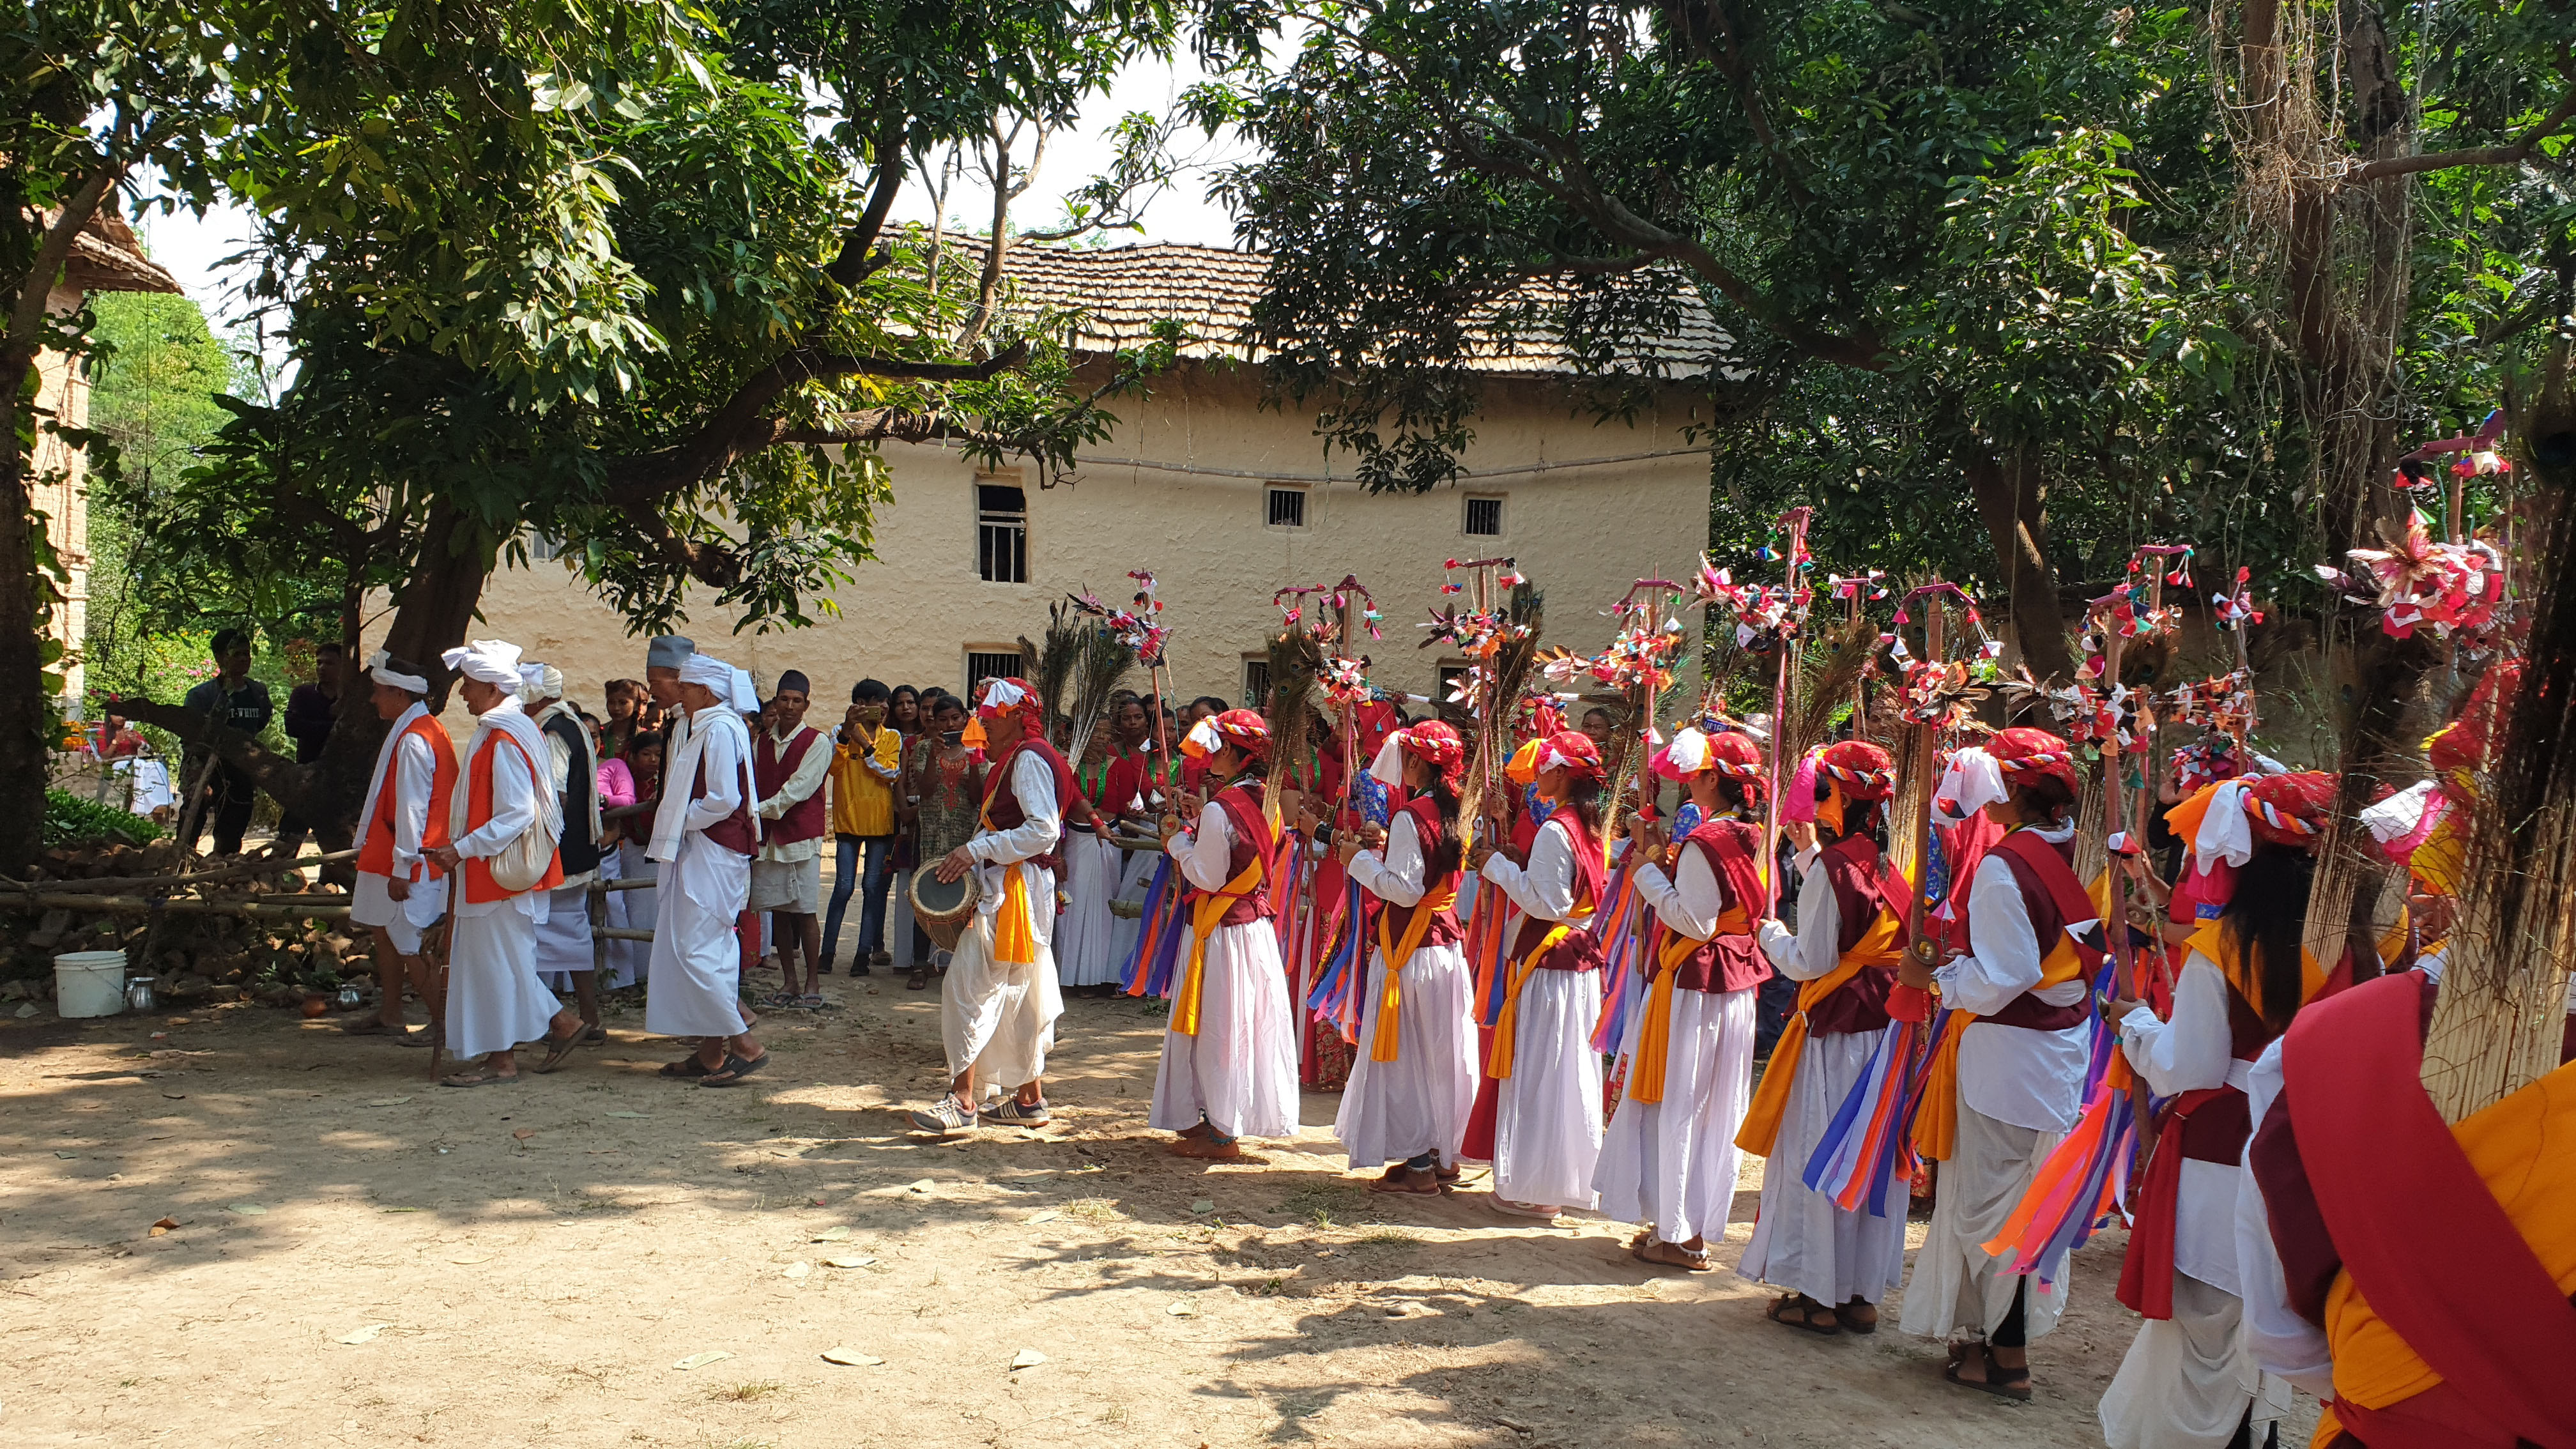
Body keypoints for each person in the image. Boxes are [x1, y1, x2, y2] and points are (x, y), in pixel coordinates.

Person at [2096, 774, 2334, 1449]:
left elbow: (2188, 1066)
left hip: (2222, 1147)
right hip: (2300, 1151)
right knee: (2264, 1328)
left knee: (2200, 1326)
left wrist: (2137, 1026)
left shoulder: (2223, 949)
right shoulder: (2350, 945)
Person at [1896, 726, 2101, 1400]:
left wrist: (1939, 981)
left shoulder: (2003, 864)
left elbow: (2004, 975)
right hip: (2063, 1047)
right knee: (2029, 1200)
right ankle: (1997, 1344)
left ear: (2016, 790)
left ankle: (1999, 1350)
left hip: (2007, 1054)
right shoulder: (2084, 847)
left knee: (1989, 1208)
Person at [1742, 739, 1910, 1333]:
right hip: (1883, 1034)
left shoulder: (1834, 871)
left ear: (1837, 797)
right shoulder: (1891, 867)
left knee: (1822, 1155)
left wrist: (1770, 936)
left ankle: (1818, 1296)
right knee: (1862, 1160)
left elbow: (1810, 959)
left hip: (1836, 1034)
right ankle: (1859, 1293)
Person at [1598, 724, 1774, 1270]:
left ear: (1712, 780)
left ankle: (1679, 1231)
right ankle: (1681, 1222)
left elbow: (1694, 921)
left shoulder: (1707, 842)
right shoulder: (1751, 836)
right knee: (1707, 1107)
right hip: (1731, 981)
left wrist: (1647, 875)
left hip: (1698, 985)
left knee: (1681, 1104)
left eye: (1696, 775)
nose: (1688, 784)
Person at [424, 640, 586, 1087]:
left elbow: (517, 813)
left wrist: (462, 848)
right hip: (493, 873)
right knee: (501, 965)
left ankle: (503, 1060)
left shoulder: (504, 738)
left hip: (496, 874)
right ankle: (552, 1029)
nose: (463, 695)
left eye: (470, 686)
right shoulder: (510, 730)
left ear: (494, 688)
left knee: (494, 967)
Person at [908, 677, 1068, 1132]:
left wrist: (974, 851)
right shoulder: (1032, 755)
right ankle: (1029, 1101)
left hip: (1012, 890)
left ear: (1017, 717)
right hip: (1024, 887)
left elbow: (1043, 832)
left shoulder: (1029, 759)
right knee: (1022, 990)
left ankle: (962, 1101)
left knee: (969, 987)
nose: (982, 725)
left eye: (991, 718)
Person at [1469, 729, 1611, 1220]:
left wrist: (1495, 867)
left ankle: (1535, 1183)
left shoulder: (1558, 828)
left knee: (1542, 1070)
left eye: (1547, 766)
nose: (1538, 774)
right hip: (1574, 957)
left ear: (1564, 773)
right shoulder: (1589, 825)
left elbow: (1548, 902)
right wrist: (1514, 861)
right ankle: (1556, 1176)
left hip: (1551, 960)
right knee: (1563, 1070)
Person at [1148, 708, 1300, 1159]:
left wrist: (1177, 841)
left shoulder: (1222, 807)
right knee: (1238, 1023)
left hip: (1221, 930)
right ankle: (1216, 1117)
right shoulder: (1266, 799)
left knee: (1219, 1025)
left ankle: (1221, 1131)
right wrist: (1199, 826)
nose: (1211, 752)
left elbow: (1208, 876)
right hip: (1251, 929)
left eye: (1218, 745)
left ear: (1233, 752)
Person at [1333, 719, 1475, 1192]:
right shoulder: (1457, 807)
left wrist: (1357, 859)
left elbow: (1405, 889)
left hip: (1410, 952)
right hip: (1446, 947)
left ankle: (1417, 1163)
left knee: (1407, 1055)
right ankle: (1442, 1153)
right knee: (1442, 1055)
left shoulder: (1410, 815)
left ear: (1416, 761)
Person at [640, 648, 769, 1086]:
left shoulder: (717, 730)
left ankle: (743, 1045)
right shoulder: (713, 726)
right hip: (709, 849)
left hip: (714, 850)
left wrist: (679, 820)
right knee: (702, 948)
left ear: (706, 690)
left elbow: (723, 799)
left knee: (698, 948)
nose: (680, 692)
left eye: (687, 686)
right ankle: (711, 1051)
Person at [339, 650, 454, 1048]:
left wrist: (403, 868)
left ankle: (444, 1023)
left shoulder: (415, 740)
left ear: (399, 695)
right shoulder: (422, 731)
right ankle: (391, 1014)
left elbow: (413, 809)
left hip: (407, 858)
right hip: (390, 851)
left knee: (407, 938)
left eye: (378, 692)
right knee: (383, 930)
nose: (373, 700)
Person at [520, 663, 606, 1038]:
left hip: (556, 850)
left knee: (536, 935)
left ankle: (561, 1021)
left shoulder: (553, 731)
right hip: (574, 847)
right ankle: (585, 1018)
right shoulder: (569, 723)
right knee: (570, 934)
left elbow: (557, 795)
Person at [752, 671, 832, 1007]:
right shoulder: (761, 742)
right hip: (770, 839)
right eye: (783, 699)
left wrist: (758, 811)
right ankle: (790, 982)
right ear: (776, 702)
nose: (789, 706)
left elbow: (800, 789)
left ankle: (812, 982)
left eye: (796, 701)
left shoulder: (818, 742)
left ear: (806, 705)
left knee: (805, 910)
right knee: (779, 912)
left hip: (800, 837)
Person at [821, 679, 904, 976]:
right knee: (843, 887)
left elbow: (891, 773)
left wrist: (867, 746)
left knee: (872, 889)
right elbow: (833, 767)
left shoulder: (892, 737)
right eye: (875, 702)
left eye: (885, 703)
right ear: (858, 704)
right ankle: (826, 953)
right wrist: (847, 733)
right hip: (847, 820)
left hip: (880, 824)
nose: (882, 708)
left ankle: (862, 955)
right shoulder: (838, 733)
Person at [900, 693, 983, 990]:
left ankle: (965, 966)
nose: (950, 725)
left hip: (964, 835)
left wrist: (973, 761)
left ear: (965, 719)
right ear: (934, 722)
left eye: (955, 719)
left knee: (968, 899)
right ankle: (920, 965)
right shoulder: (923, 749)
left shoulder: (978, 750)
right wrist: (935, 757)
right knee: (925, 896)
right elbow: (925, 789)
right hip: (932, 832)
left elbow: (977, 796)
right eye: (943, 720)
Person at [178, 628, 275, 856]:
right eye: (236, 654)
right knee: (192, 819)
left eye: (247, 654)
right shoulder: (201, 696)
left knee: (233, 828)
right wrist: (199, 776)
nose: (243, 659)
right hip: (205, 768)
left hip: (242, 770)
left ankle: (223, 870)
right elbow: (191, 736)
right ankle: (180, 864)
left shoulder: (258, 693)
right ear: (221, 658)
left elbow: (261, 722)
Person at [1058, 716, 1126, 996]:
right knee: (1072, 906)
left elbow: (1130, 802)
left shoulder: (1119, 765)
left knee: (1103, 907)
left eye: (1105, 732)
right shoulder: (1067, 765)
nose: (1099, 737)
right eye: (1094, 731)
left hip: (1109, 841)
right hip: (1076, 839)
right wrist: (1058, 854)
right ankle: (1069, 977)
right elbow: (1065, 803)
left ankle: (1098, 977)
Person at [273, 640, 343, 862]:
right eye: (319, 663)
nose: (322, 668)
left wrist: (315, 727)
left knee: (337, 845)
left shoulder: (353, 699)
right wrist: (333, 727)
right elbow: (293, 727)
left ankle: (329, 883)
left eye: (330, 663)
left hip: (340, 780)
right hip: (306, 775)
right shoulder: (303, 694)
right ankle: (276, 879)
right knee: (289, 837)